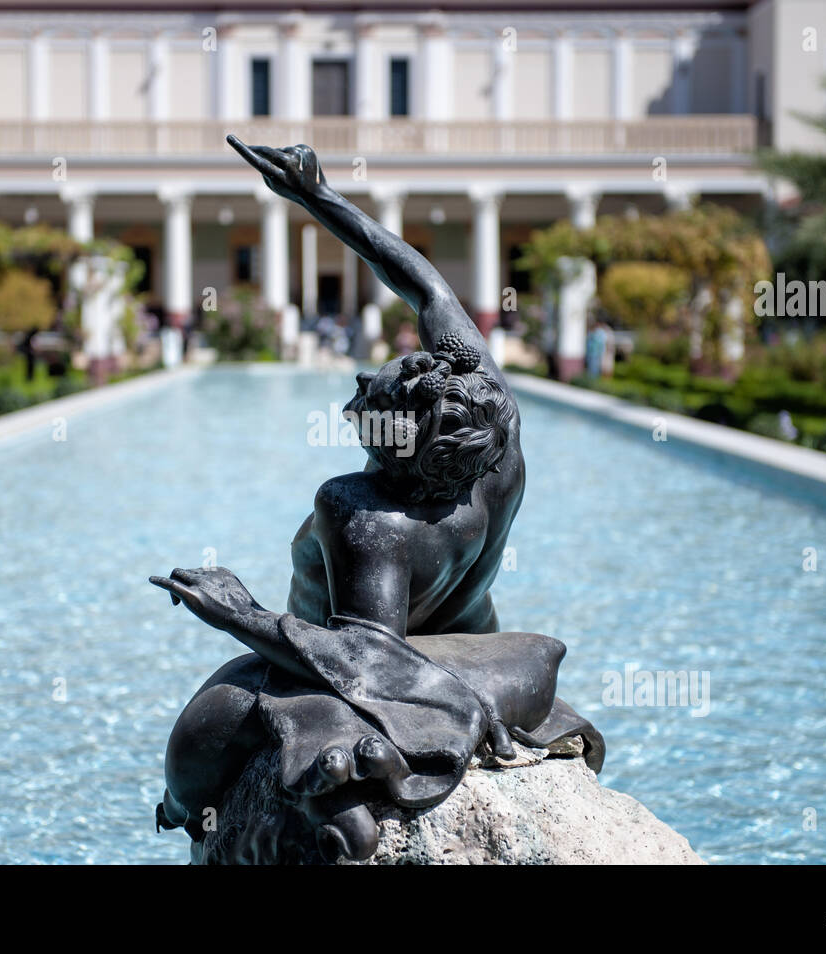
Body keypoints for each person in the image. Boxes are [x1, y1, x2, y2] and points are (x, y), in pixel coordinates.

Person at [151, 138, 603, 863]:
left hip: (373, 661)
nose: (365, 386)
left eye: (372, 408)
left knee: (203, 729)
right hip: (480, 645)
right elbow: (426, 288)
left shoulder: (366, 512)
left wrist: (240, 614)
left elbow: (370, 657)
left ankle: (194, 814)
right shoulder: (493, 427)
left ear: (395, 458)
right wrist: (318, 198)